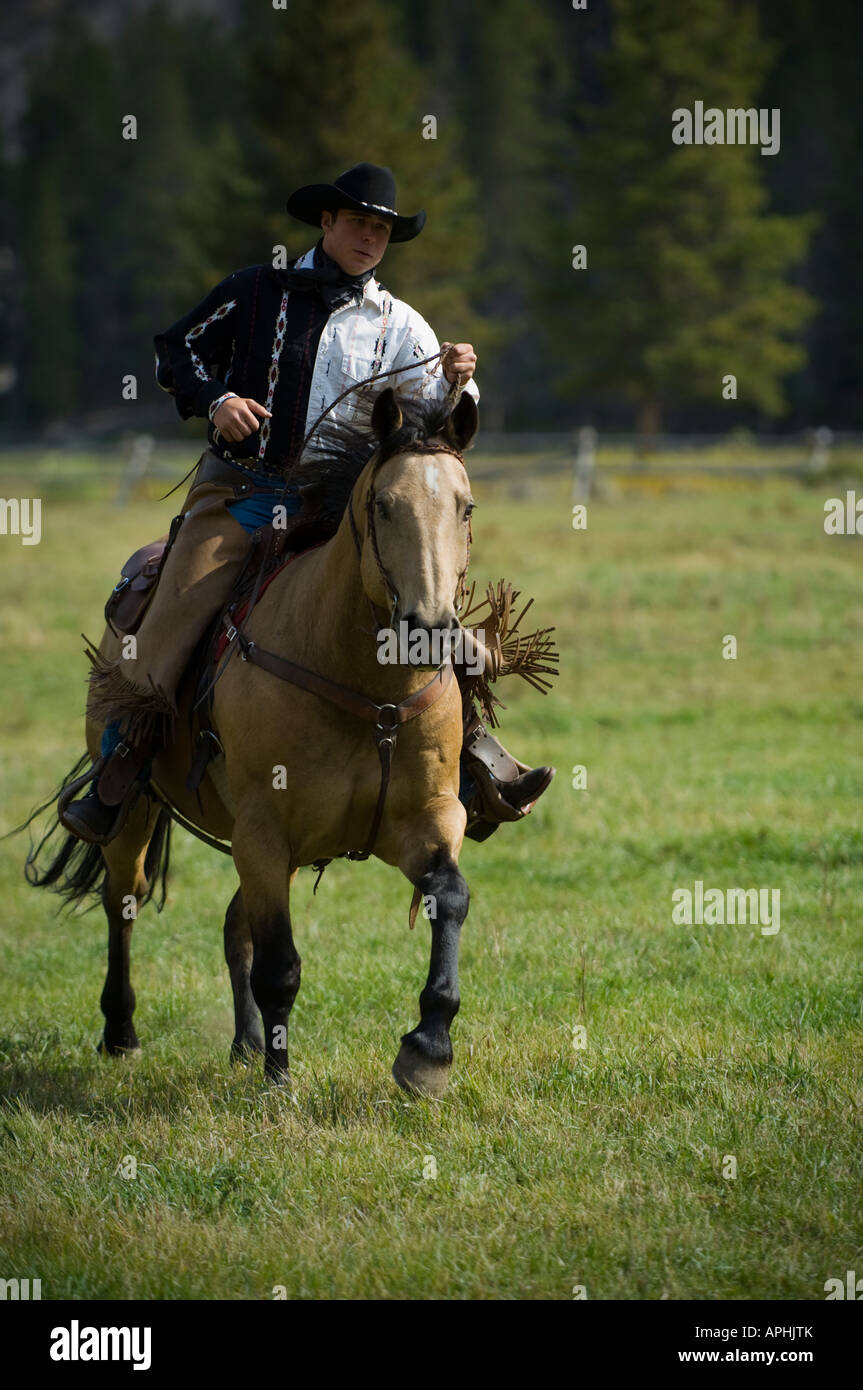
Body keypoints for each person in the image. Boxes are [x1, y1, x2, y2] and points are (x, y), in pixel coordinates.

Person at [62, 163, 554, 844]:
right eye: (357, 223)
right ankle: (120, 769)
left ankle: (469, 759)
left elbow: (435, 426)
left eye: (381, 229)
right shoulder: (254, 290)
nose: (368, 238)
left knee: (427, 606)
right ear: (326, 222)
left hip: (350, 515)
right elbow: (175, 351)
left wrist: (458, 383)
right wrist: (219, 401)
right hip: (245, 494)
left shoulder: (404, 324)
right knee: (172, 610)